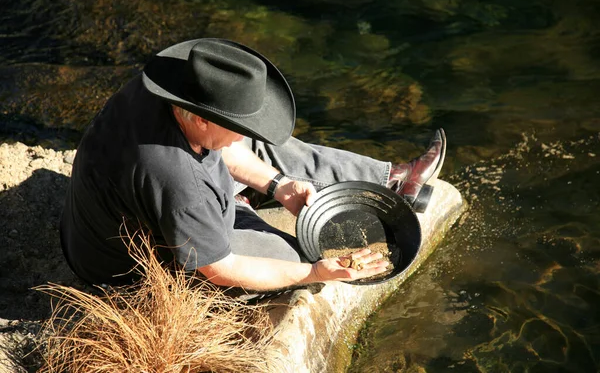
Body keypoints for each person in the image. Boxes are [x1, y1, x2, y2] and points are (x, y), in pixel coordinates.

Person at [60, 38, 446, 292]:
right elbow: (219, 268)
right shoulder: (179, 182)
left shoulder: (167, 88)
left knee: (259, 146)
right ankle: (235, 212)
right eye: (232, 128)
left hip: (118, 211)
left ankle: (393, 182)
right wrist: (313, 274)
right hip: (123, 270)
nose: (239, 136)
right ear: (200, 118)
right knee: (295, 258)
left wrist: (279, 186)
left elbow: (226, 146)